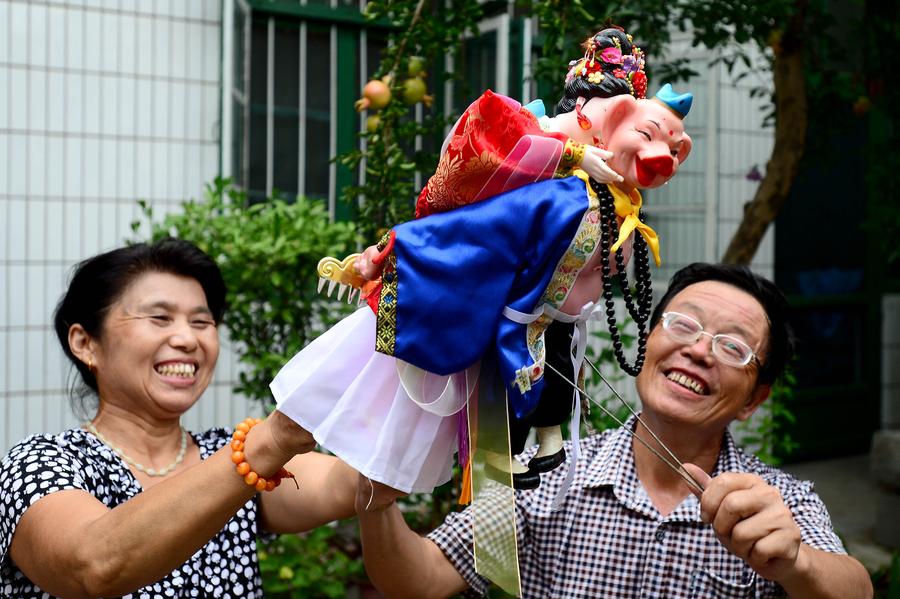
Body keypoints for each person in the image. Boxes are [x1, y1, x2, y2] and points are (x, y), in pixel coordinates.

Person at [273, 26, 694, 494]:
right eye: (648, 134)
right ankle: (502, 454)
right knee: (516, 376)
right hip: (520, 311)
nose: (664, 157)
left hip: (559, 314)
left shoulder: (612, 202)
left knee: (559, 374)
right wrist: (392, 249)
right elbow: (472, 230)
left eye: (675, 149)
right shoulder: (557, 193)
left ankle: (547, 440)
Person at [353, 263, 873, 598]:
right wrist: (375, 501)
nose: (699, 350)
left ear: (755, 400)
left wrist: (796, 562)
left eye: (733, 346)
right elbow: (420, 577)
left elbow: (855, 589)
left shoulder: (780, 504)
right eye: (684, 324)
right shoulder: (543, 474)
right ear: (648, 344)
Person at [0, 238, 358, 598]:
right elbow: (91, 567)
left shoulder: (225, 453)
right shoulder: (36, 464)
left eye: (202, 321)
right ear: (85, 343)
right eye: (159, 318)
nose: (188, 338)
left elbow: (351, 482)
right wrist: (272, 440)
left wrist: (396, 327)